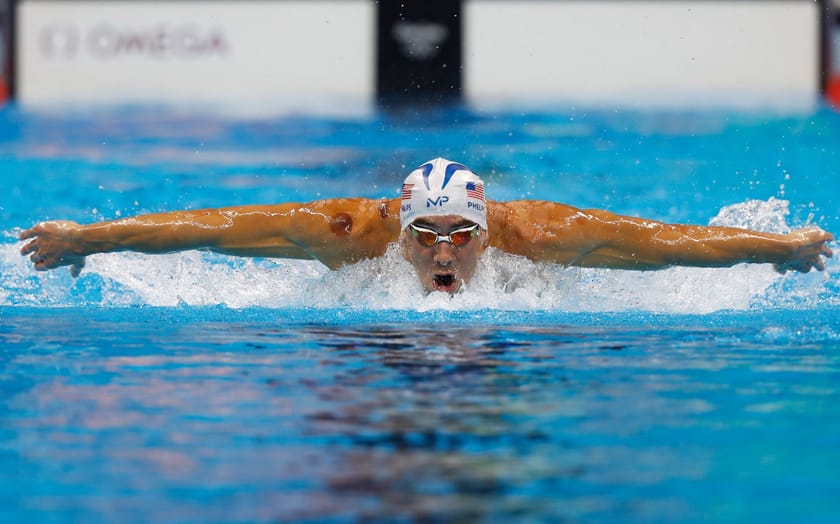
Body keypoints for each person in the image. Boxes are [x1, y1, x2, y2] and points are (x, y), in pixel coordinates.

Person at [19, 157, 834, 295]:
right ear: (398, 229)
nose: (443, 253)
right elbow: (208, 228)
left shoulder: (537, 234)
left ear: (488, 231)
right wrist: (86, 239)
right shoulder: (347, 231)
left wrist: (778, 251)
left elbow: (664, 245)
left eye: (460, 237)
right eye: (426, 237)